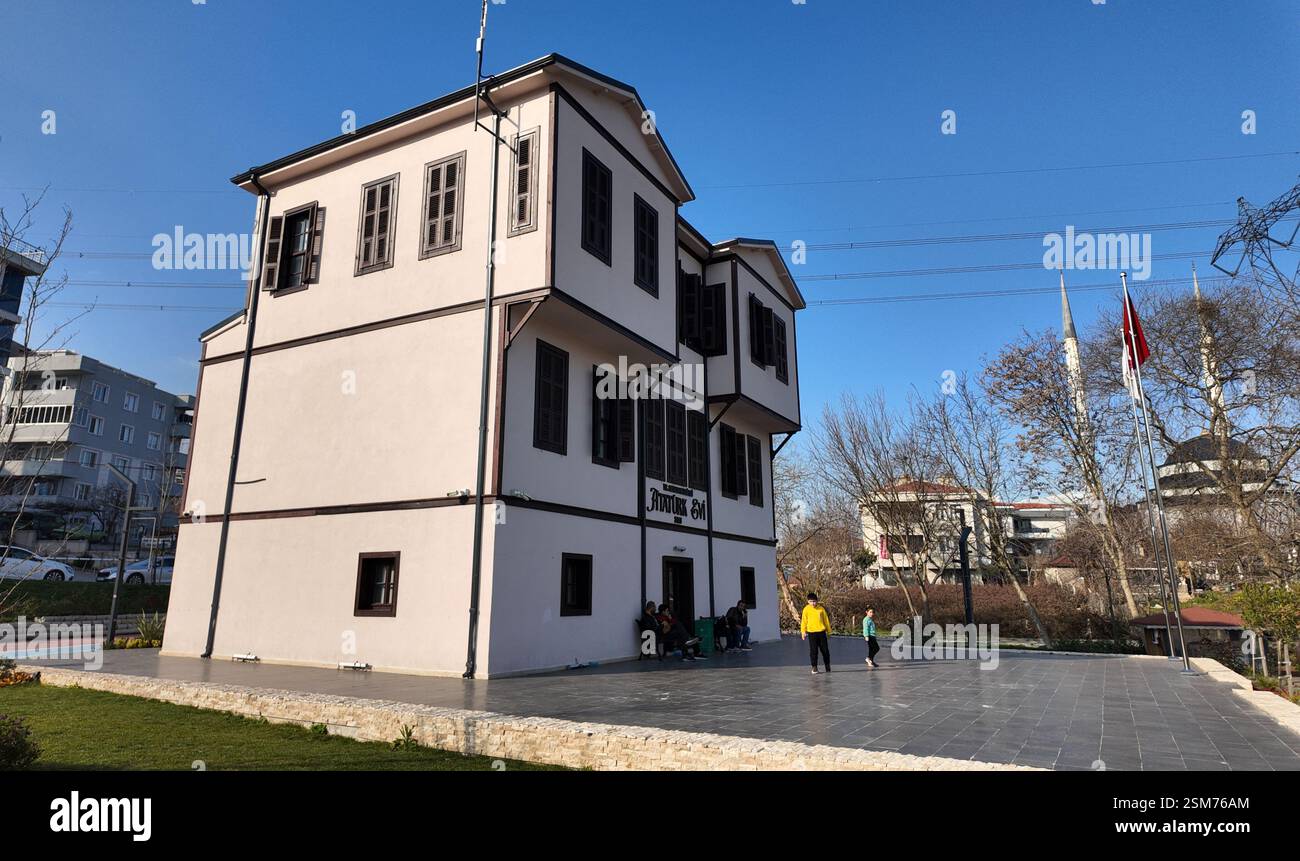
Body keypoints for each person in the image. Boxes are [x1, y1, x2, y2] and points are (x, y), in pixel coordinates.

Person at [800, 592, 831, 674]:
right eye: (810, 601)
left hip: (821, 632)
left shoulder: (821, 609)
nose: (812, 603)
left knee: (825, 650)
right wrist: (803, 632)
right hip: (812, 633)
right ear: (807, 601)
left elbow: (826, 620)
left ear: (817, 601)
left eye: (814, 601)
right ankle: (814, 667)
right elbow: (804, 621)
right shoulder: (806, 609)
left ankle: (827, 665)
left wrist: (829, 631)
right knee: (813, 651)